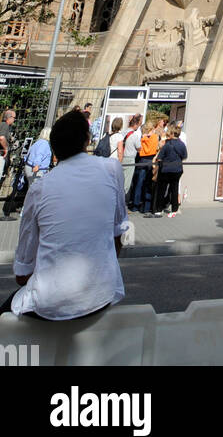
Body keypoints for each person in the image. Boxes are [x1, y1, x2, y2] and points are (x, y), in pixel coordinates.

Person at [1, 109, 128, 320]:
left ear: (54, 149)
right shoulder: (112, 170)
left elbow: (22, 275)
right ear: (87, 141)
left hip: (50, 306)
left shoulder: (39, 189)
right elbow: (118, 233)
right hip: (103, 296)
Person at [154, 124, 187, 217]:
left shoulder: (167, 144)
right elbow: (184, 156)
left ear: (172, 133)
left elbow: (160, 158)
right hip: (177, 169)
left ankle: (158, 209)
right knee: (174, 189)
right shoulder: (182, 144)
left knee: (162, 189)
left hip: (166, 169)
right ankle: (174, 209)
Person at [130, 117, 161, 215]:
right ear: (151, 129)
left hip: (142, 160)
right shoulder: (156, 137)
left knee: (139, 183)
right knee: (148, 184)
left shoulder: (142, 138)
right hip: (151, 161)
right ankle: (146, 207)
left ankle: (135, 205)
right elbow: (157, 148)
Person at [121, 114, 142, 198]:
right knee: (126, 182)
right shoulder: (134, 135)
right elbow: (139, 148)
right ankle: (122, 202)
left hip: (121, 157)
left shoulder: (123, 132)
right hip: (130, 159)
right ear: (135, 124)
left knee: (120, 179)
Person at [0, 108, 16, 189]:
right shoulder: (5, 125)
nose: (14, 120)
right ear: (9, 117)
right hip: (1, 155)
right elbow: (2, 138)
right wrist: (6, 148)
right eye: (14, 118)